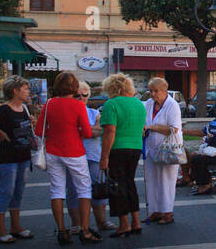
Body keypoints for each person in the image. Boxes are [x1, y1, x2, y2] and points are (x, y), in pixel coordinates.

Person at [34, 70, 99, 244]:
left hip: (53, 151)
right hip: (74, 151)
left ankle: (62, 230)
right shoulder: (78, 106)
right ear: (74, 87)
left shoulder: (49, 104)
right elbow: (86, 132)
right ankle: (84, 230)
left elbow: (39, 131)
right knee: (84, 189)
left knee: (57, 190)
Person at [0, 76, 37, 243]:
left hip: (24, 156)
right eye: (25, 89)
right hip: (8, 157)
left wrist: (32, 121)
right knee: (6, 191)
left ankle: (16, 226)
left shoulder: (24, 108)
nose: (28, 92)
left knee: (18, 191)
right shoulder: (4, 109)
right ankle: (1, 230)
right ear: (15, 91)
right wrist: (0, 133)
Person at [98, 72, 146, 237]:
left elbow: (110, 131)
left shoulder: (111, 104)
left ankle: (124, 224)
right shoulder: (139, 105)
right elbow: (141, 130)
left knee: (118, 186)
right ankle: (136, 221)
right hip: (135, 148)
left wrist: (104, 157)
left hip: (117, 149)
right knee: (130, 183)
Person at [66, 82, 112, 233]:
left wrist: (80, 129)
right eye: (76, 95)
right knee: (74, 190)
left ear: (88, 95)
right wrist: (90, 129)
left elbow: (100, 130)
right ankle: (77, 224)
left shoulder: (93, 113)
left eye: (84, 94)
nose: (80, 97)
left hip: (93, 156)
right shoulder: (68, 112)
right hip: (72, 156)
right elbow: (93, 130)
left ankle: (101, 221)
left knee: (99, 187)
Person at [143, 77, 182, 225]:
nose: (153, 94)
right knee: (151, 180)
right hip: (151, 146)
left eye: (156, 91)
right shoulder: (148, 104)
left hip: (168, 148)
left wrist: (151, 127)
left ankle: (167, 212)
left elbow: (173, 129)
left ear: (165, 91)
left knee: (167, 180)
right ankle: (155, 211)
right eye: (151, 91)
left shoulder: (172, 105)